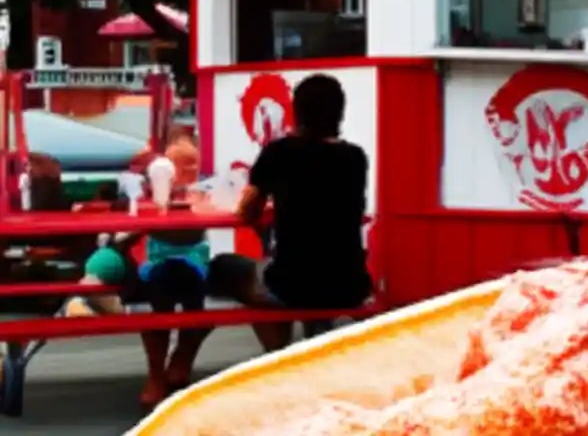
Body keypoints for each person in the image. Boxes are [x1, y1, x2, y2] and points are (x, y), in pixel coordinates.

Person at [210, 74, 373, 352]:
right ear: (339, 113)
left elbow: (248, 211)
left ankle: (277, 352)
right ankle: (312, 338)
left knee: (222, 267)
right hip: (350, 284)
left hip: (291, 284)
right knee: (300, 267)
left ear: (296, 111)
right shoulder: (355, 158)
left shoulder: (278, 153)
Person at [65, 136, 214, 409]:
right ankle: (160, 371)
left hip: (191, 264)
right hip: (150, 267)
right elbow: (123, 235)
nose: (183, 170)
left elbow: (210, 220)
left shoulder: (203, 193)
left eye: (191, 163)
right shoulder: (146, 193)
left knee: (185, 280)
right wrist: (142, 220)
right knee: (159, 281)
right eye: (175, 163)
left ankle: (180, 357)